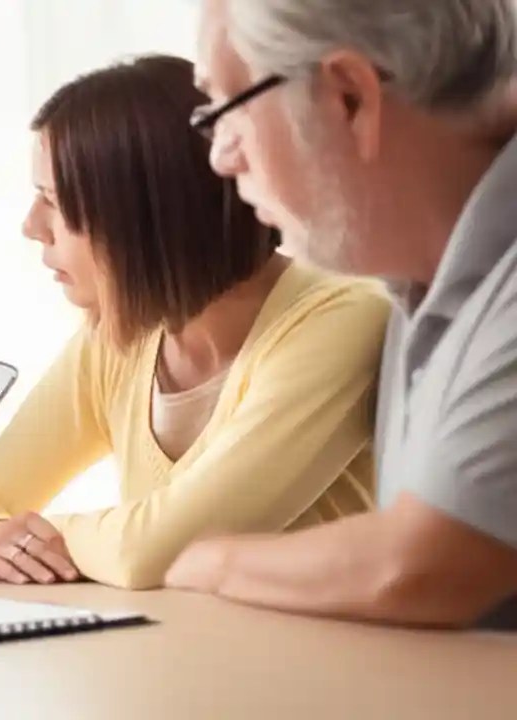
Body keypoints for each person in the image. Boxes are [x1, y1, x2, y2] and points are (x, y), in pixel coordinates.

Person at [0, 55, 389, 590]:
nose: (32, 227)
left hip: (329, 668)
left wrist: (31, 536)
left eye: (54, 201)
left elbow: (155, 550)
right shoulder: (121, 338)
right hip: (179, 657)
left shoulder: (340, 321)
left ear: (143, 215)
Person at [166, 0, 517, 630]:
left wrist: (212, 563)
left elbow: (424, 564)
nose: (222, 157)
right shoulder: (419, 277)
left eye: (228, 111)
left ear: (348, 97)